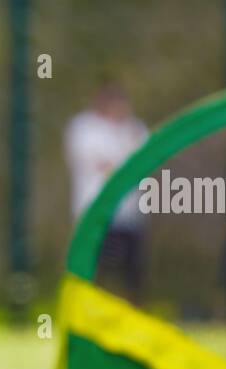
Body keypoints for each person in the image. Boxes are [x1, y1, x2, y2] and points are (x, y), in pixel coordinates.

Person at [65, 81, 149, 304]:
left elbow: (141, 164)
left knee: (132, 272)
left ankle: (133, 312)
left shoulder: (135, 128)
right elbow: (108, 165)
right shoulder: (84, 128)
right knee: (93, 271)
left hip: (128, 215)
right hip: (93, 213)